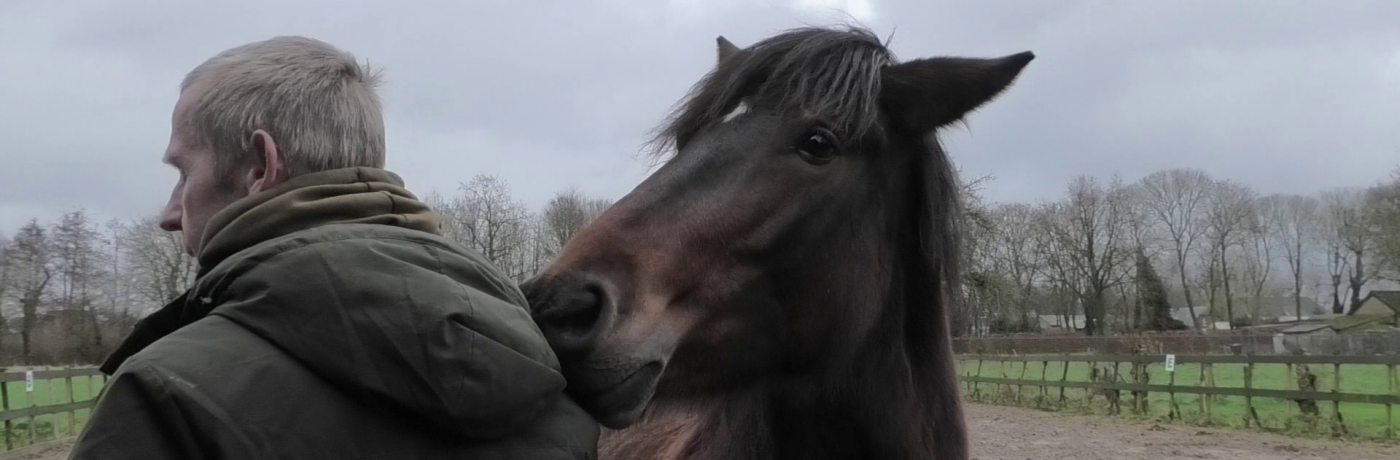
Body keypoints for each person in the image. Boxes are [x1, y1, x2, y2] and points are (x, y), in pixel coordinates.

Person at [69, 36, 599, 459]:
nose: (168, 214)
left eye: (184, 172)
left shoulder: (171, 395)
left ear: (259, 167)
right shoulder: (551, 390)